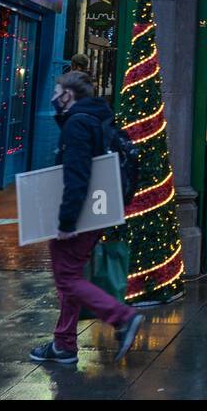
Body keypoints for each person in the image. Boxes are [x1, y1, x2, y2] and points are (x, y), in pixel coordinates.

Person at [31, 71, 143, 366]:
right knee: (71, 277)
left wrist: (66, 223)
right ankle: (64, 344)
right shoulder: (97, 118)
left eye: (57, 92)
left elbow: (77, 176)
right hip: (95, 212)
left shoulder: (78, 124)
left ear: (68, 95)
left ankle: (123, 317)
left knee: (67, 277)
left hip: (79, 216)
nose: (54, 98)